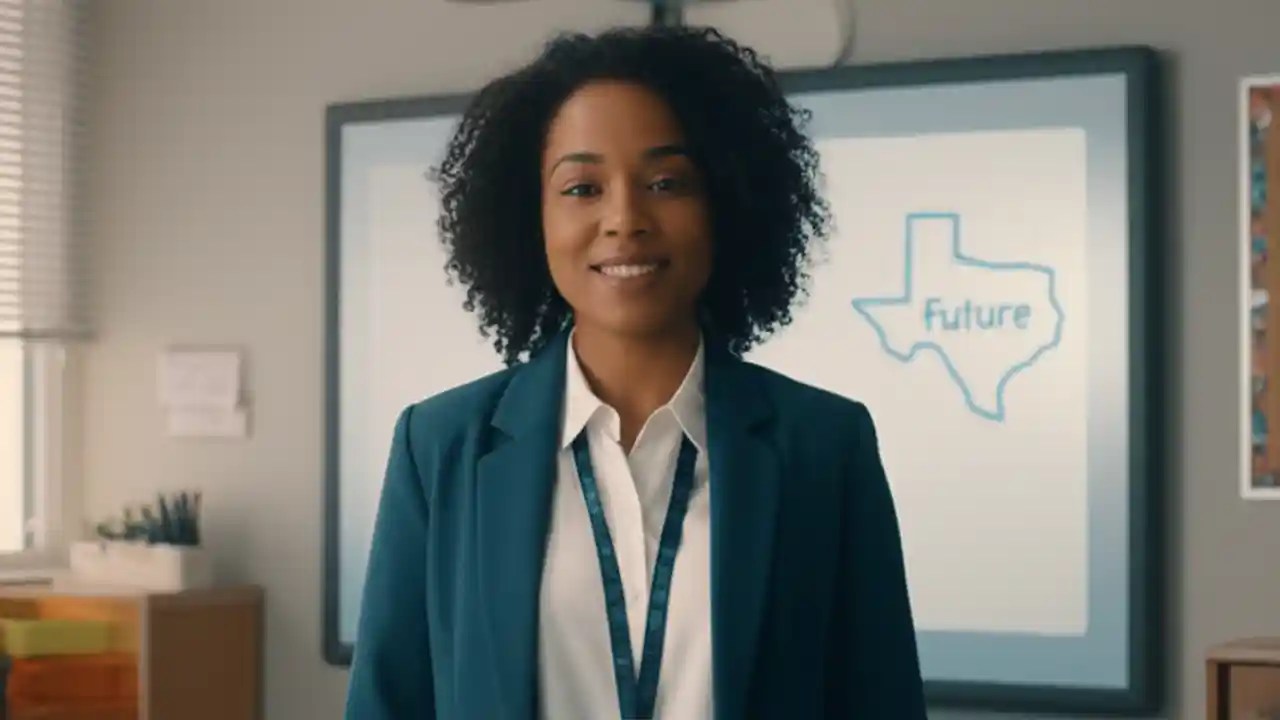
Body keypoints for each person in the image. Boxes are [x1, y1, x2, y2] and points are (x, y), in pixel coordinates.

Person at [345, 24, 927, 720]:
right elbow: (388, 704)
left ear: (725, 203)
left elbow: (879, 701)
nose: (624, 218)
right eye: (583, 187)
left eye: (665, 182)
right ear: (529, 216)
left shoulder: (825, 445)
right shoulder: (440, 446)